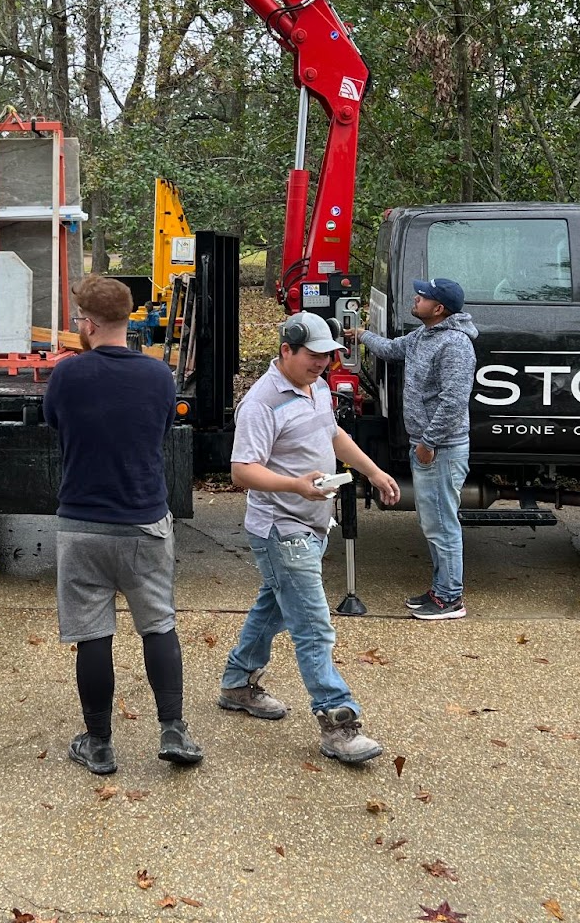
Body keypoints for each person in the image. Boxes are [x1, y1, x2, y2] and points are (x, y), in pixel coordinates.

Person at [218, 311, 401, 765]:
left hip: (315, 520)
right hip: (282, 529)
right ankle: (339, 722)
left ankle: (237, 684)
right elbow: (242, 472)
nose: (323, 363)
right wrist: (295, 485)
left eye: (329, 356)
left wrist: (374, 472)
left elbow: (332, 433)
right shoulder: (261, 402)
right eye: (314, 356)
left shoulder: (316, 387)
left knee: (275, 606)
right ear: (286, 350)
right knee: (313, 626)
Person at [42, 275, 203, 775]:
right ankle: (173, 729)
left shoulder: (66, 376)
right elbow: (161, 431)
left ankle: (100, 744)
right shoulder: (158, 377)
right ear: (127, 319)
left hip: (82, 522)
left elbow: (54, 426)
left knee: (93, 634)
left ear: (86, 324)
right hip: (144, 520)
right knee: (158, 624)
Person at [346, 277, 477, 621]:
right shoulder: (425, 336)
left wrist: (429, 444)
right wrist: (361, 336)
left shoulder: (454, 345)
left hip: (440, 450)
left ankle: (450, 599)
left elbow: (453, 401)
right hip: (428, 446)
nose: (415, 298)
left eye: (423, 297)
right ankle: (440, 590)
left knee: (443, 524)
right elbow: (392, 349)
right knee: (433, 522)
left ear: (439, 309)